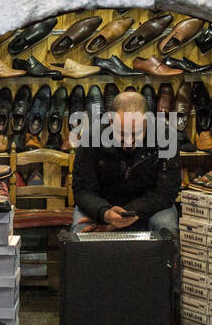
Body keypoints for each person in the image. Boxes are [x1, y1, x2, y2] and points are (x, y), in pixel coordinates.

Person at [71, 91, 180, 238]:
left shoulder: (166, 136)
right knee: (82, 230)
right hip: (102, 206)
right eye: (121, 133)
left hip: (150, 207)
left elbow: (166, 192)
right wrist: (103, 213)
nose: (128, 141)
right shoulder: (91, 137)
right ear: (110, 121)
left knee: (166, 226)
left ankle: (165, 261)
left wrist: (122, 217)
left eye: (136, 133)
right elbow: (83, 190)